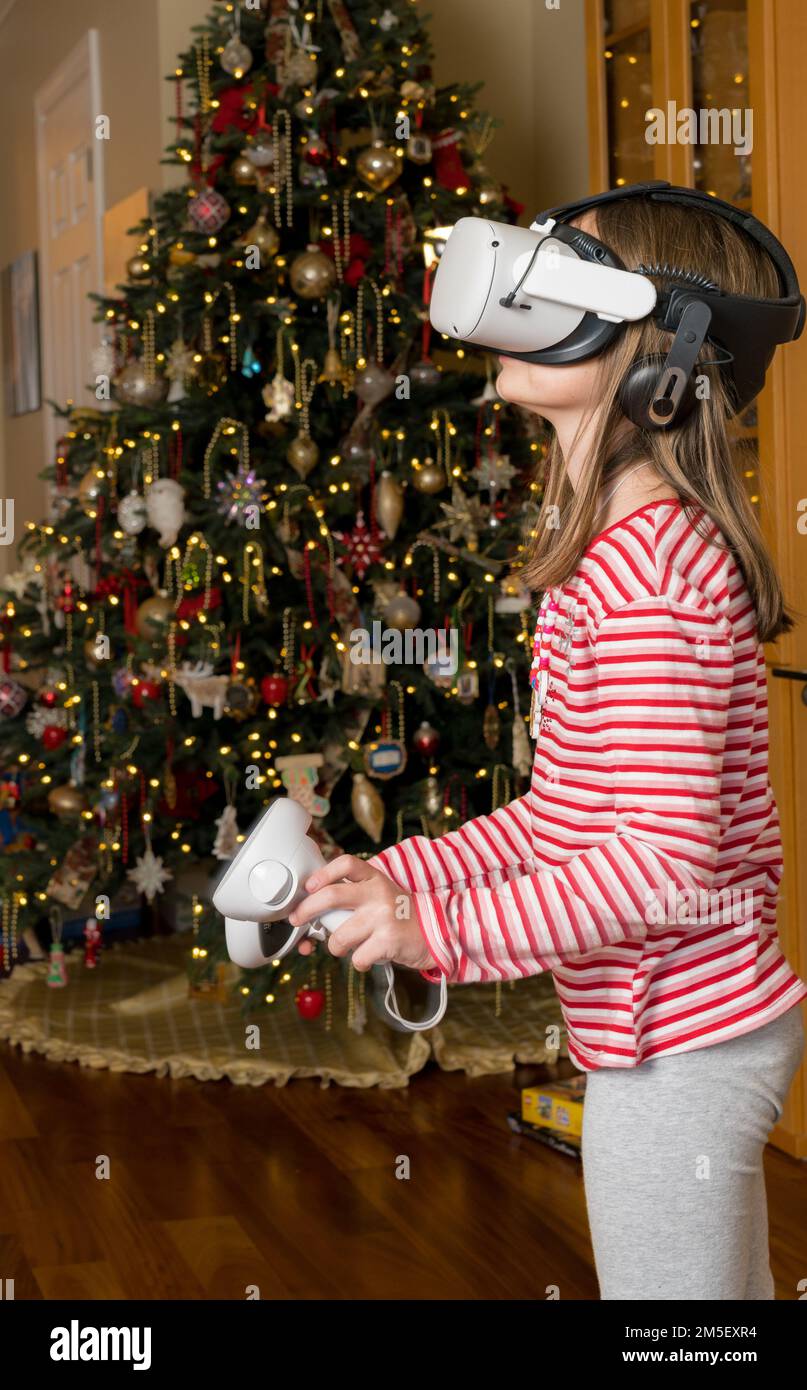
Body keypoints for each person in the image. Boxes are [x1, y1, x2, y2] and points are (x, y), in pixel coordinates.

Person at [288, 192, 807, 1300]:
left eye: (565, 275)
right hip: (676, 1035)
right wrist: (397, 877)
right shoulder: (618, 555)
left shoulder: (646, 579)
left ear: (662, 348)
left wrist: (438, 933)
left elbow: (659, 866)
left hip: (682, 1051)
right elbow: (567, 819)